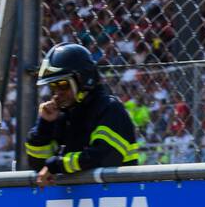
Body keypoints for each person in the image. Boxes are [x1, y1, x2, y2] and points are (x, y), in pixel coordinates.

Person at [24, 42, 139, 186]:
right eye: (53, 86)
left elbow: (102, 158)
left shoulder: (110, 109)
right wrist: (45, 126)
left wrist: (57, 165)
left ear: (83, 80)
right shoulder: (64, 116)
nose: (57, 93)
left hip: (117, 200)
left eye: (63, 85)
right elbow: (38, 164)